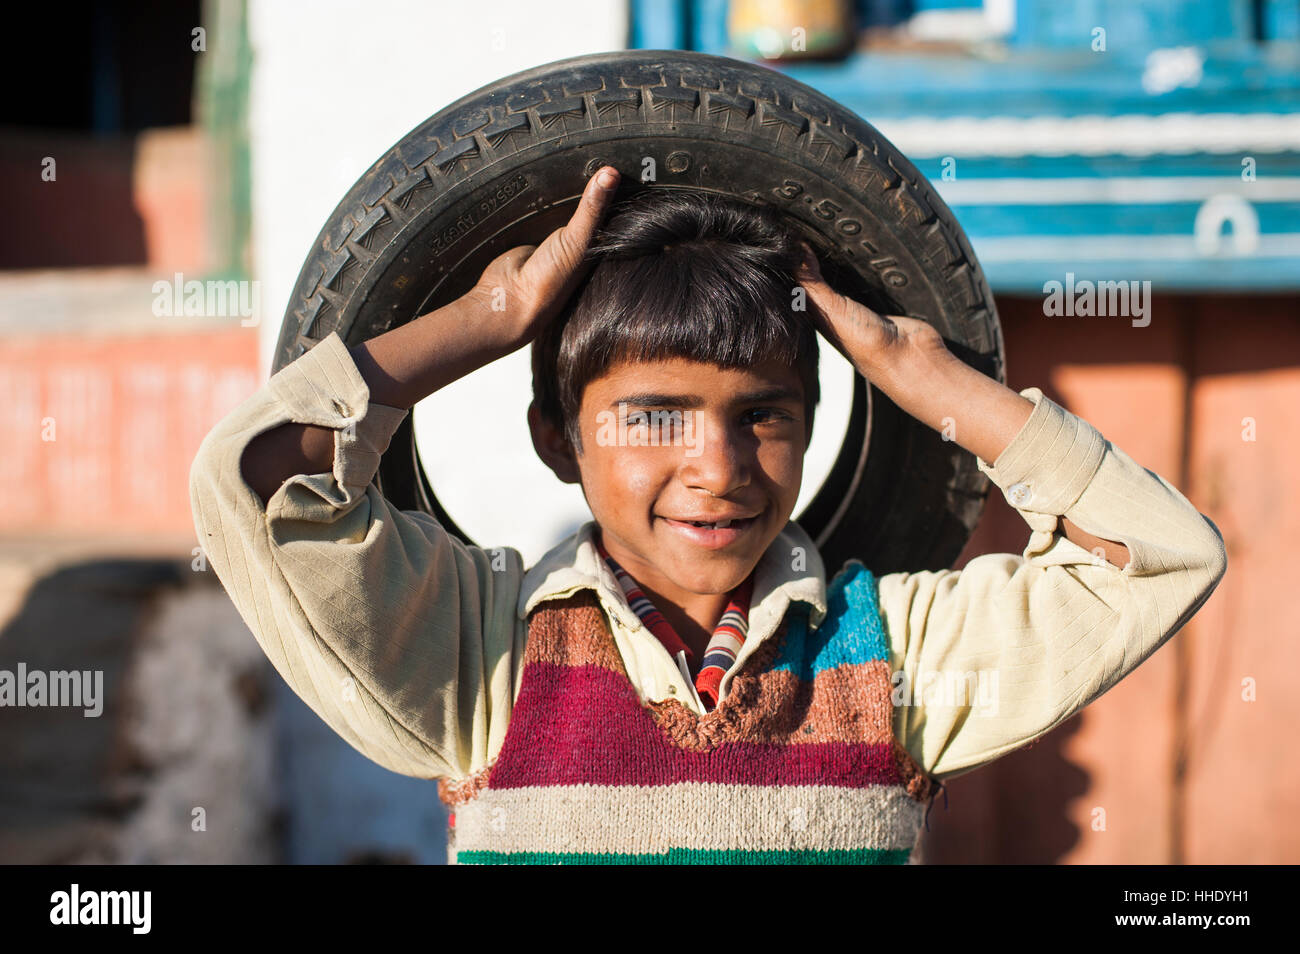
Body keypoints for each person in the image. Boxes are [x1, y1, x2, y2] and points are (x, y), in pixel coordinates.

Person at [191, 166, 1227, 864]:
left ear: (818, 426)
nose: (717, 467)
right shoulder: (482, 655)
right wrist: (490, 317)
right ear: (558, 437)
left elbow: (1160, 558)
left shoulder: (894, 654)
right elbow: (257, 479)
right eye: (652, 415)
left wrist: (930, 382)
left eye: (763, 414)